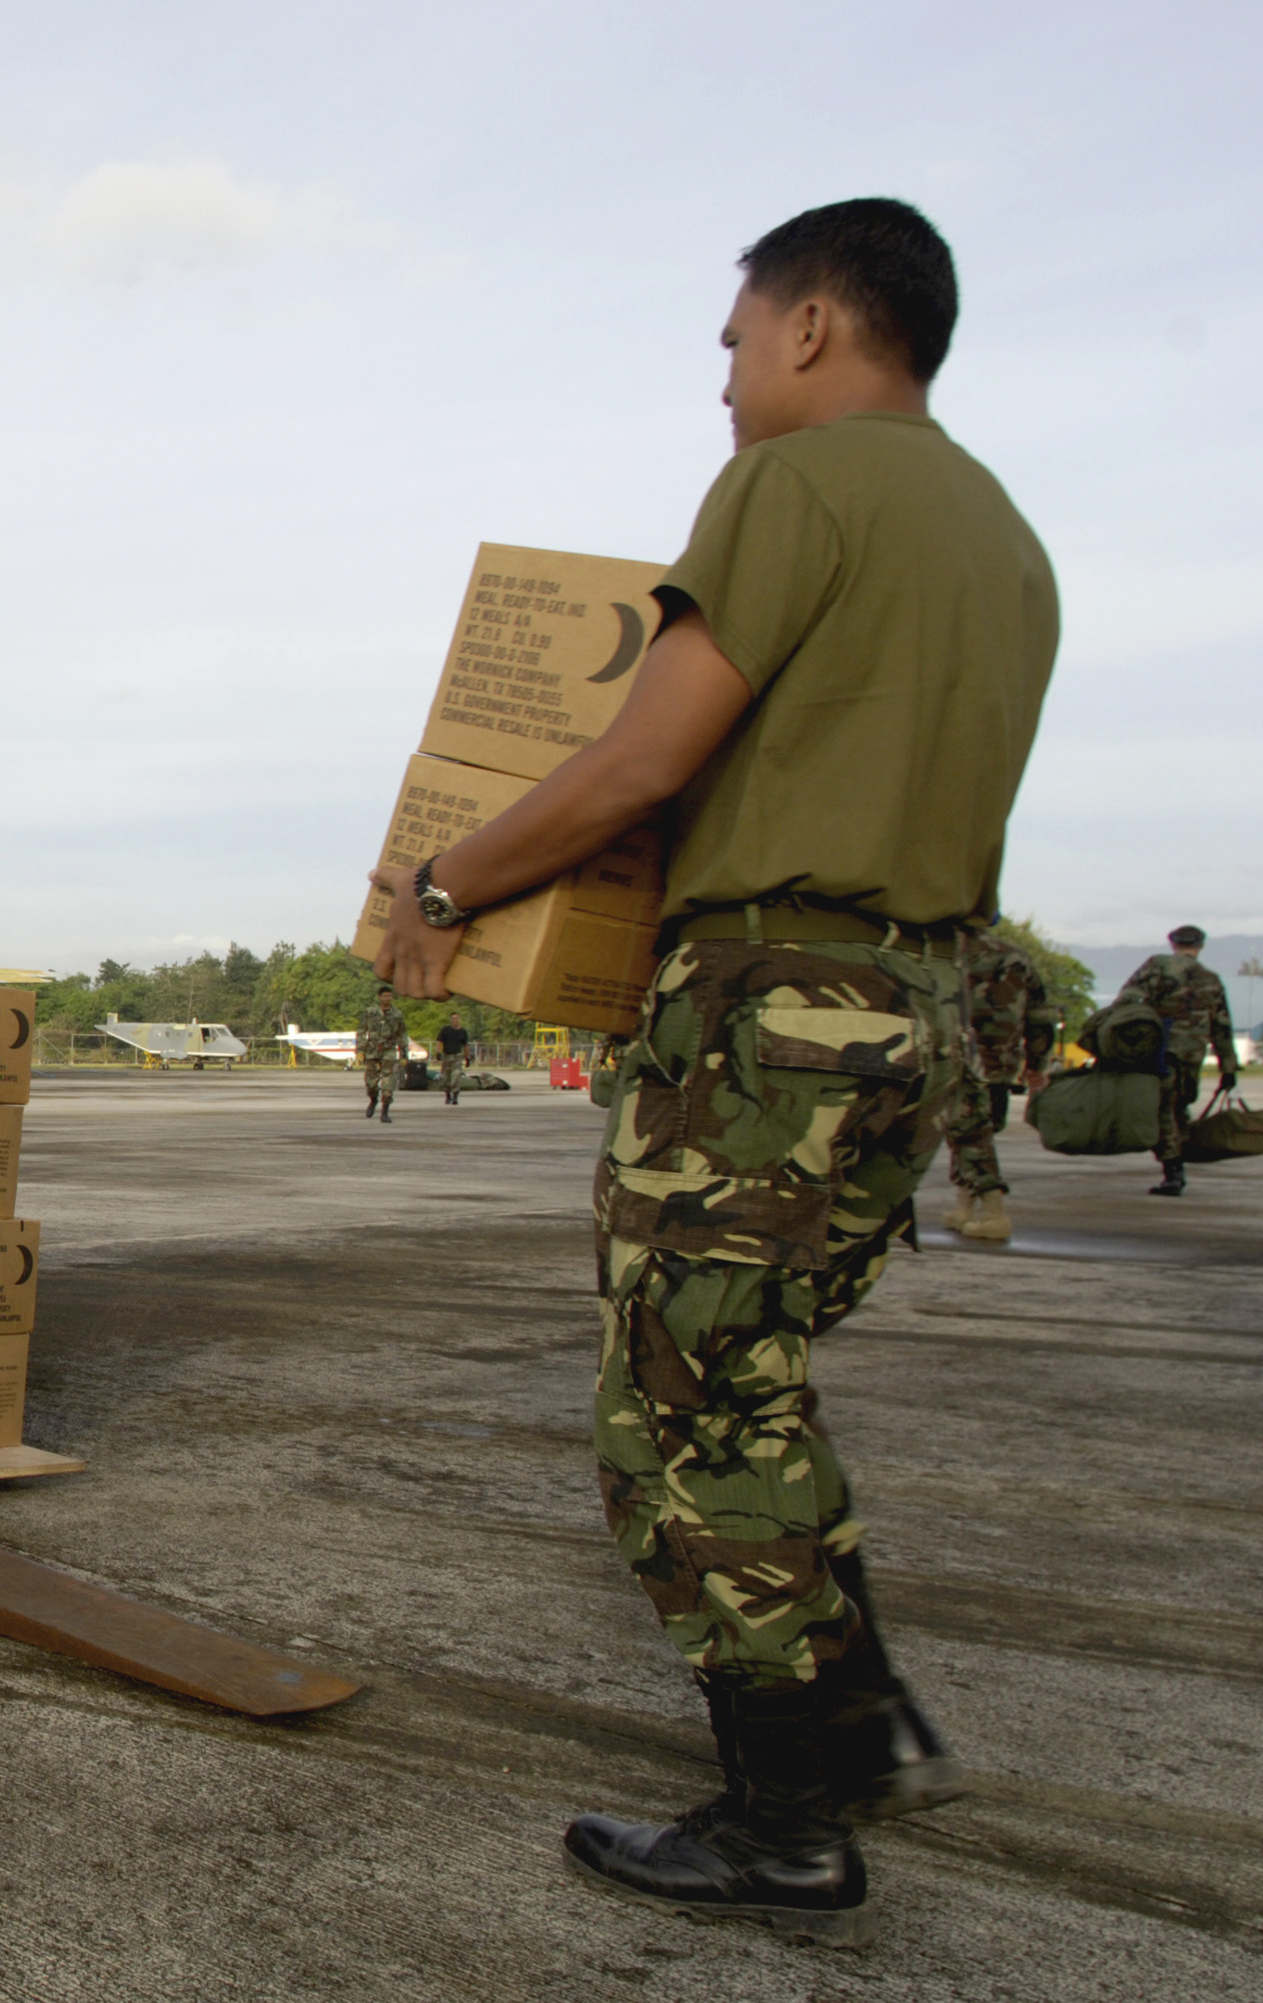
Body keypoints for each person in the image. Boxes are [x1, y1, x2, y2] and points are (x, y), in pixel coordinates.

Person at [366, 199, 1056, 1945]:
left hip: (773, 1010)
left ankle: (787, 1817)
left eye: (737, 344)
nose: (731, 387)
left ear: (816, 327)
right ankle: (846, 1711)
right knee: (756, 1379)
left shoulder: (793, 486)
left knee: (673, 1413)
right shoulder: (1004, 538)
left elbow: (643, 757)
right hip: (918, 1008)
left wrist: (450, 884)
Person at [941, 925, 1055, 1241]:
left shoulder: (945, 950)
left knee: (970, 1133)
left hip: (955, 1055)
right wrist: (1037, 1063)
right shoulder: (1016, 956)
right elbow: (1041, 1015)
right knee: (973, 1131)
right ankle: (964, 1207)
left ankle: (994, 1214)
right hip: (1000, 1061)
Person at [1117, 924, 1237, 1196]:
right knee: (1178, 1106)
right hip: (1193, 1055)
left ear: (1173, 943)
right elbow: (1222, 1026)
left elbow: (1128, 998)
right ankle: (1176, 1163)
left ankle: (1173, 1171)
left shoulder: (1157, 966)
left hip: (1162, 1050)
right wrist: (1228, 1068)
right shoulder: (1211, 979)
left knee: (1164, 1110)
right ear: (1200, 946)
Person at [354, 983, 409, 1122]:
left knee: (389, 1083)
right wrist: (360, 1050)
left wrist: (403, 1053)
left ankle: (385, 1112)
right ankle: (373, 1100)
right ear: (379, 997)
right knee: (371, 1083)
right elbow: (361, 1031)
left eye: (389, 996)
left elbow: (402, 1034)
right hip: (372, 1051)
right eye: (384, 996)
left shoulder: (397, 1014)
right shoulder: (370, 1012)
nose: (387, 998)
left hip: (389, 1051)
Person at [436, 1013, 472, 1105]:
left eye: (456, 1018)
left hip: (457, 1057)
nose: (455, 1020)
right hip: (447, 1056)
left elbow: (465, 1045)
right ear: (451, 1020)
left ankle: (455, 1097)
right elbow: (439, 1041)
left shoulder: (463, 1032)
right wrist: (438, 1052)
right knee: (446, 1078)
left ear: (459, 1019)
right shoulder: (446, 1030)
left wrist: (467, 1057)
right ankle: (448, 1095)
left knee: (455, 1077)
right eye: (453, 1018)